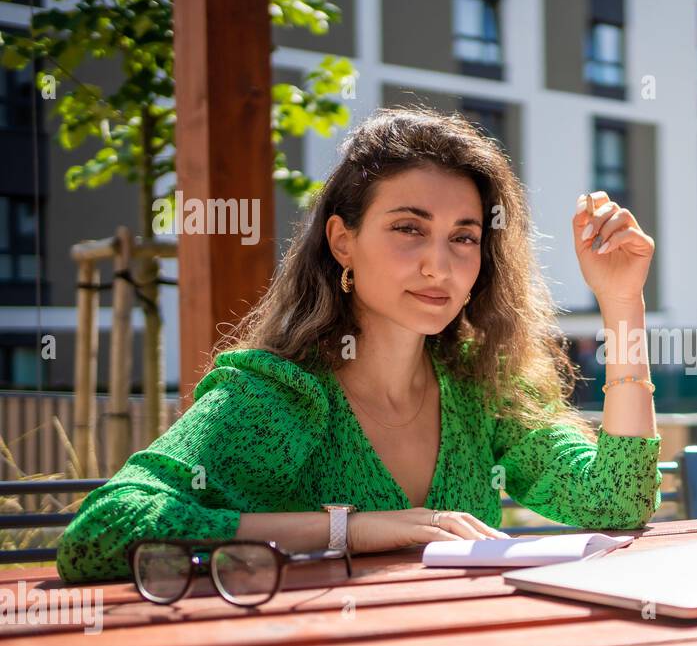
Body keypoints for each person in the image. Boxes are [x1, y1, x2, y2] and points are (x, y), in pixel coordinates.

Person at [56, 106, 662, 584]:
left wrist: (621, 303)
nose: (439, 266)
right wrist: (352, 530)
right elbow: (100, 533)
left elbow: (615, 501)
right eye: (408, 229)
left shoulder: (485, 385)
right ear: (343, 242)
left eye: (464, 237)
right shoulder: (281, 395)